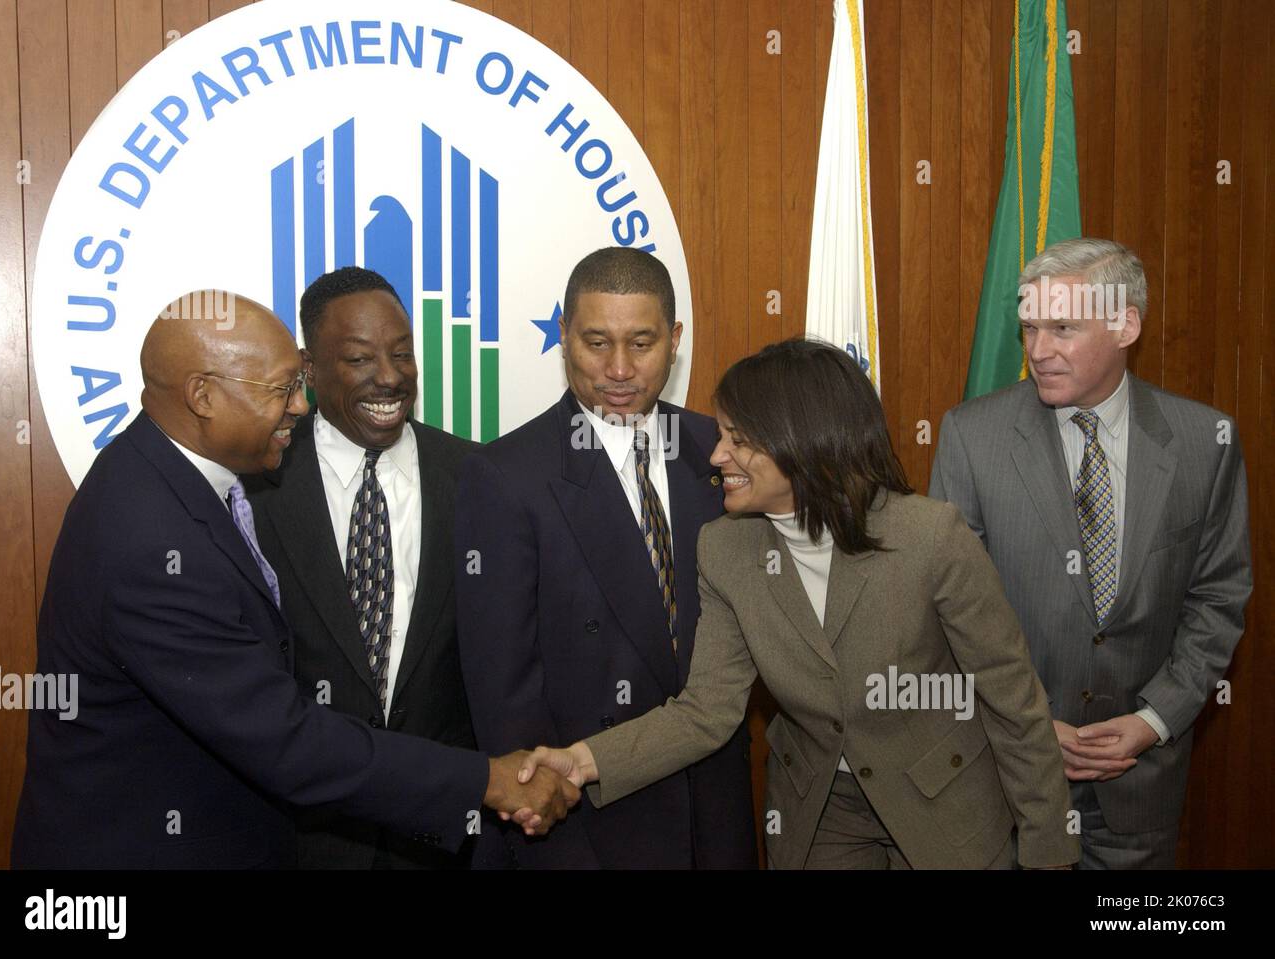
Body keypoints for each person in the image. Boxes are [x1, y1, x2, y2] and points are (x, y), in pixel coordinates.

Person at [12, 291, 577, 869]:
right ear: (203, 396)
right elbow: (283, 739)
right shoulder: (152, 538)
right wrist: (487, 781)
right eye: (281, 389)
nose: (300, 407)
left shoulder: (164, 480)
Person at [517, 338, 1078, 869]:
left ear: (803, 442)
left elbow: (1013, 699)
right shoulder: (726, 549)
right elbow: (706, 711)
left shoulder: (931, 538)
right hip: (818, 812)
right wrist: (583, 761)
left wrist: (1049, 848)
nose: (716, 456)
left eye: (738, 440)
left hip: (945, 803)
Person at [928, 238, 1251, 868]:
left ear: (1125, 324)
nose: (1038, 350)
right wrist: (1028, 724)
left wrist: (1155, 719)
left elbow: (1219, 598)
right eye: (1029, 328)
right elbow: (946, 608)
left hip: (1141, 786)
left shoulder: (1204, 440)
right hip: (1006, 779)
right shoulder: (972, 436)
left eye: (1063, 328)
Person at [455, 248, 757, 868]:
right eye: (596, 343)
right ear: (563, 335)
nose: (618, 369)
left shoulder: (720, 452)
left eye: (641, 344)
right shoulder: (507, 475)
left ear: (674, 340)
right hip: (591, 823)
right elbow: (504, 693)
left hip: (717, 814)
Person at [244, 267, 480, 869]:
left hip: (443, 833)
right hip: (301, 836)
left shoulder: (477, 479)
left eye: (402, 353)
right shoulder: (254, 486)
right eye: (359, 358)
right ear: (308, 367)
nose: (390, 376)